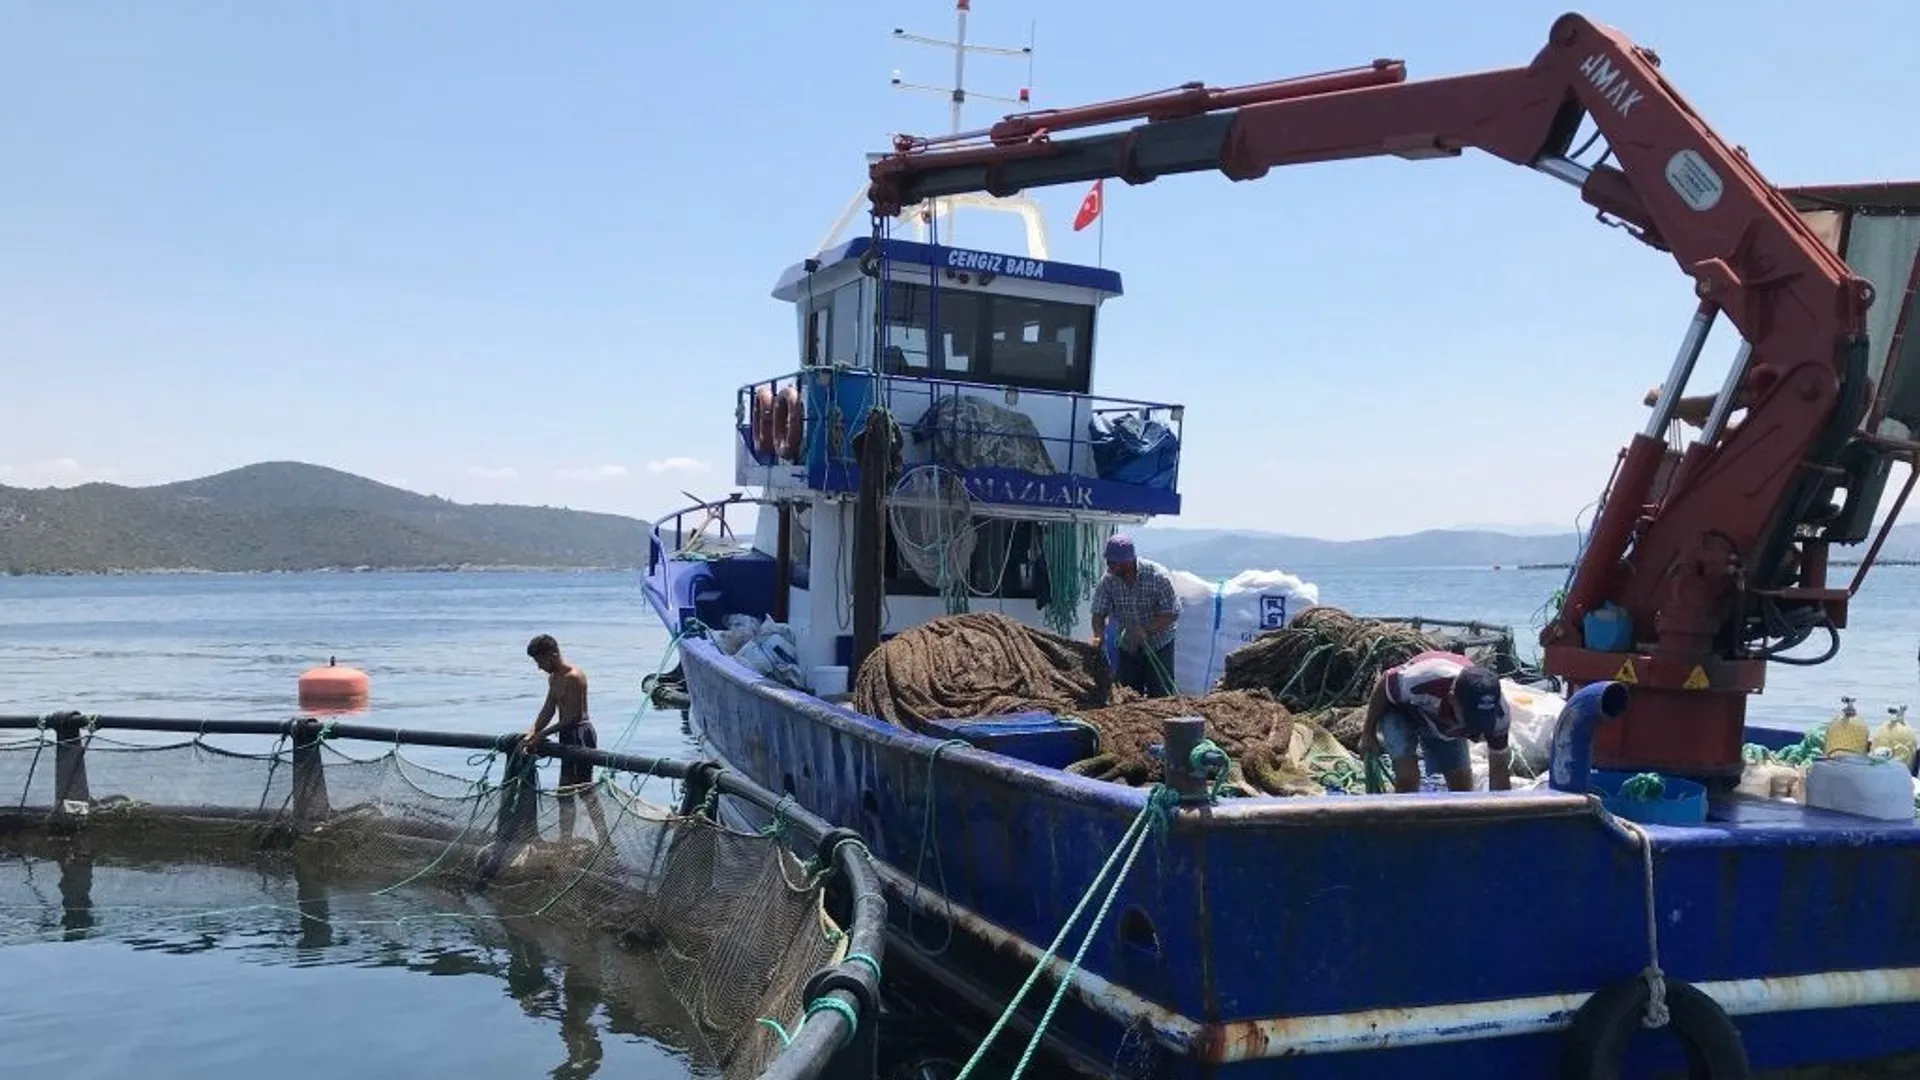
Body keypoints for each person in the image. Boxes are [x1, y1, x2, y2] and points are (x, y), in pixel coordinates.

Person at [1357, 650, 1511, 793]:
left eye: (1482, 722)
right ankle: (1404, 820)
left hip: (1442, 724)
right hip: (1401, 710)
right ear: (1452, 700)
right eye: (1471, 719)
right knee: (1408, 778)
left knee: (1462, 787)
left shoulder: (1500, 715)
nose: (1475, 730)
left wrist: (1504, 816)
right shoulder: (1420, 682)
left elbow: (1499, 769)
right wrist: (1368, 733)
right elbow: (1385, 683)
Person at [523, 634, 610, 844]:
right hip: (565, 735)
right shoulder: (553, 678)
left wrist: (542, 735)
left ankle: (604, 839)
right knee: (564, 793)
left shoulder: (574, 676)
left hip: (581, 735)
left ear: (552, 655)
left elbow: (574, 717)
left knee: (585, 790)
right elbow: (548, 709)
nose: (539, 667)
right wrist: (532, 731)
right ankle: (565, 840)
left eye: (540, 661)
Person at [1088, 534, 1180, 698]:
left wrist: (1145, 630)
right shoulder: (1109, 580)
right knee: (1128, 692)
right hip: (1129, 644)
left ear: (1127, 561)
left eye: (1113, 563)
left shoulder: (1157, 576)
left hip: (1159, 643)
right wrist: (1098, 635)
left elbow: (1172, 612)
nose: (1109, 567)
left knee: (1160, 693)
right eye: (1108, 562)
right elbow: (1098, 613)